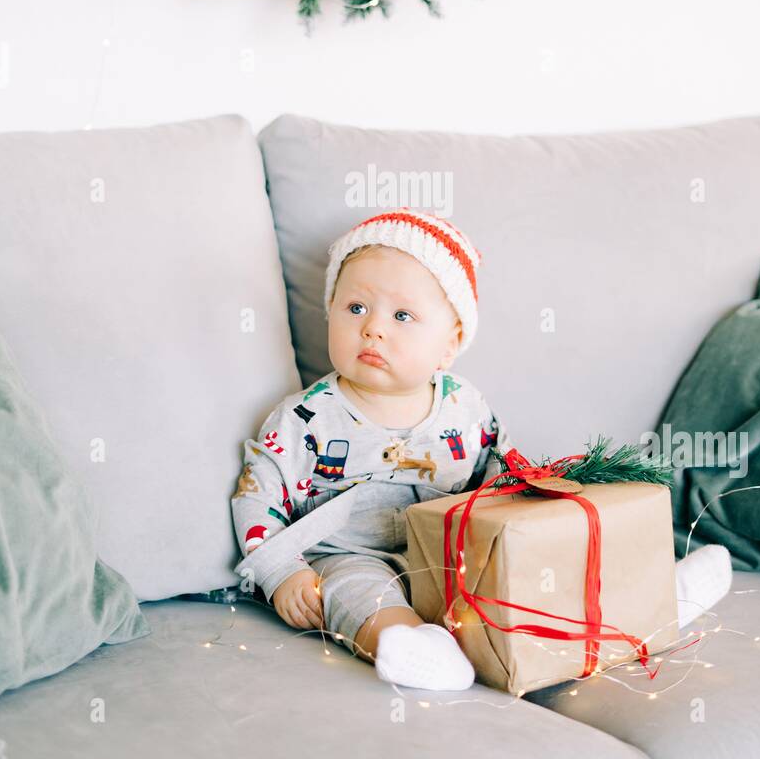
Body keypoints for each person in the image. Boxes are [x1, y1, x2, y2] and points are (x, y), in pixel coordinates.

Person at [231, 208, 731, 691]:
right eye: (355, 307)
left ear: (450, 344)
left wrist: (541, 518)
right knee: (357, 593)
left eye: (403, 315)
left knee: (520, 569)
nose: (373, 328)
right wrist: (282, 574)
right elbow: (258, 493)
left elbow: (505, 476)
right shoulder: (305, 417)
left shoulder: (464, 407)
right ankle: (412, 646)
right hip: (350, 554)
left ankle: (651, 600)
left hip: (450, 547)